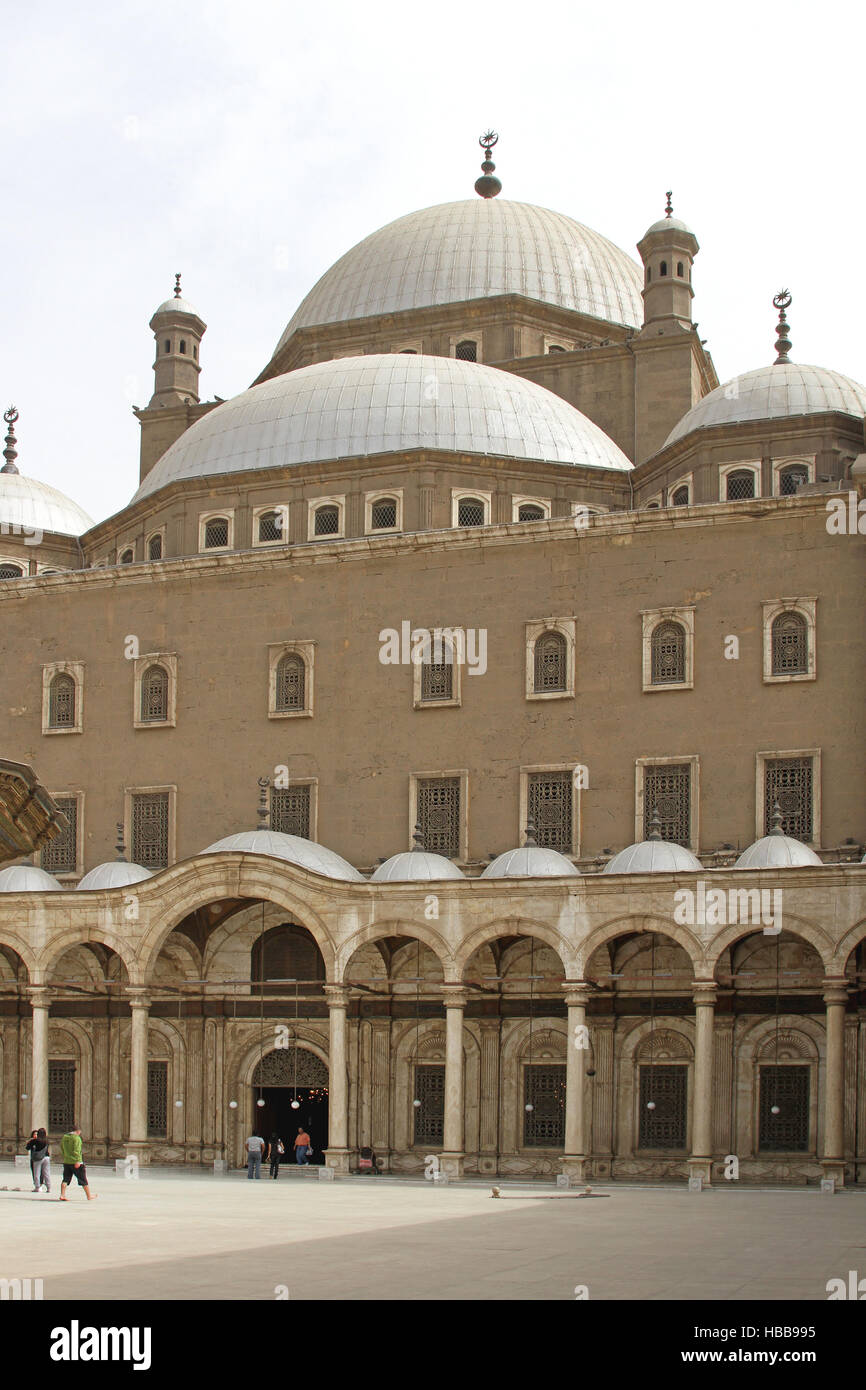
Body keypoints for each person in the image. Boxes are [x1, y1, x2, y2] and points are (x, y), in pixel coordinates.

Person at [59, 1125, 96, 1202]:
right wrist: (78, 1160)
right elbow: (77, 1150)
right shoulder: (76, 1138)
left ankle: (62, 1194)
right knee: (83, 1179)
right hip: (75, 1162)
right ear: (77, 1131)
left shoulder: (64, 1137)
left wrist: (65, 1156)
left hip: (67, 1161)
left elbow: (62, 1148)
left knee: (66, 1178)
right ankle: (89, 1195)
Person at [26, 1127, 51, 1193]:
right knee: (46, 1173)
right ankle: (49, 1187)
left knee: (37, 1172)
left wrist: (29, 1142)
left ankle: (37, 1187)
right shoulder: (47, 1141)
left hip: (38, 1158)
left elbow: (27, 1148)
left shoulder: (35, 1141)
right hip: (46, 1157)